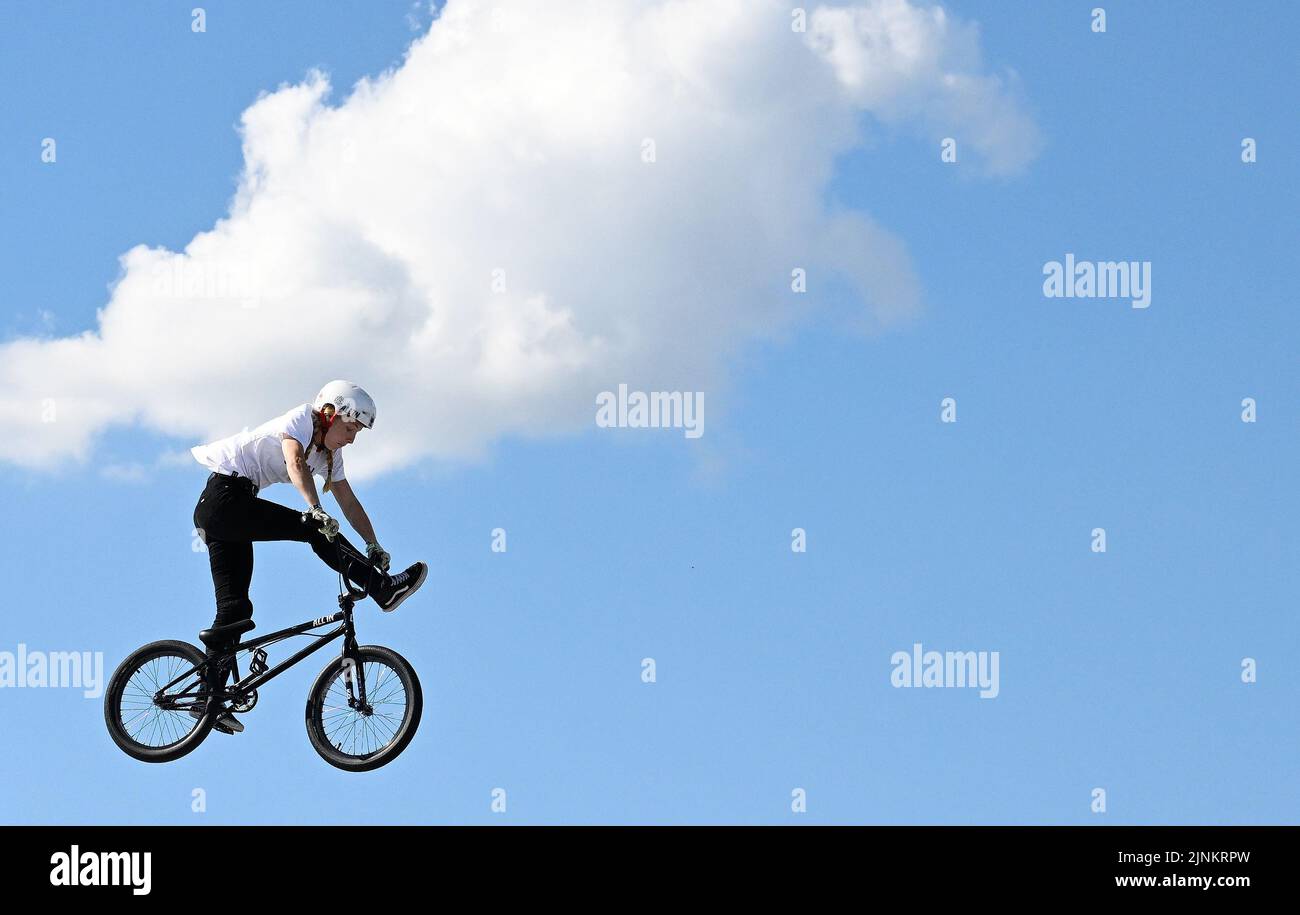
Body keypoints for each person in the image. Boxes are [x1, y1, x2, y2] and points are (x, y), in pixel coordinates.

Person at [188, 380, 427, 733]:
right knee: (314, 530)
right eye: (349, 428)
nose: (352, 438)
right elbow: (294, 461)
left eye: (357, 432)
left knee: (236, 610)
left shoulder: (330, 456)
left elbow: (349, 501)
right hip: (224, 500)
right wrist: (314, 508)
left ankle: (208, 699)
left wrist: (373, 544)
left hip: (228, 515)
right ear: (330, 415)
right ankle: (383, 589)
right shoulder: (300, 420)